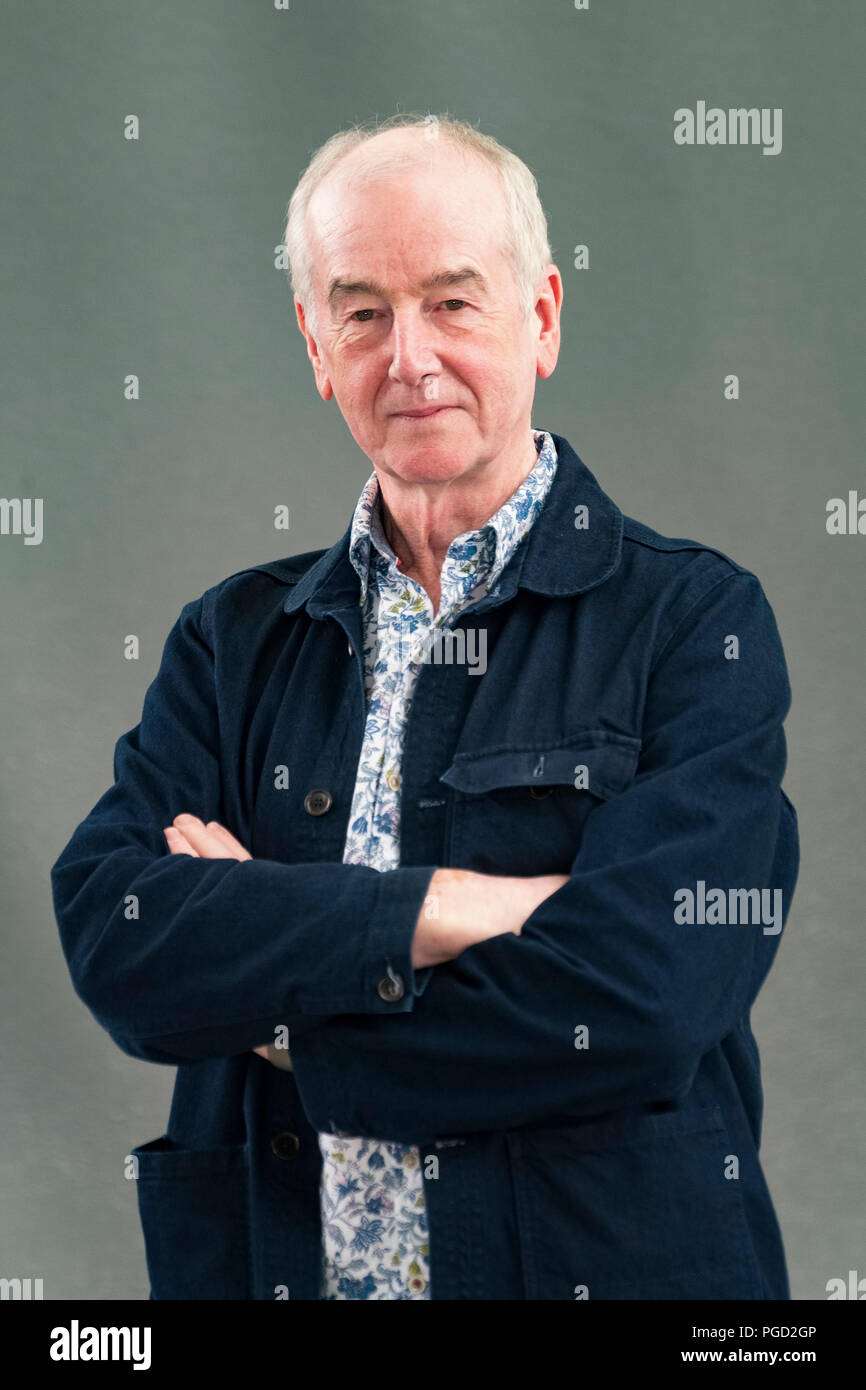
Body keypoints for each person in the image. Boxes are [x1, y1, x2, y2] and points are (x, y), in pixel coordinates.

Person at [51, 112, 799, 1300]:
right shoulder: (231, 640)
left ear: (541, 315)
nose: (407, 356)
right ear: (314, 342)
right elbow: (118, 932)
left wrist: (290, 1020)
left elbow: (647, 993)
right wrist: (449, 908)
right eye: (361, 312)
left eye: (451, 302)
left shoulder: (688, 620)